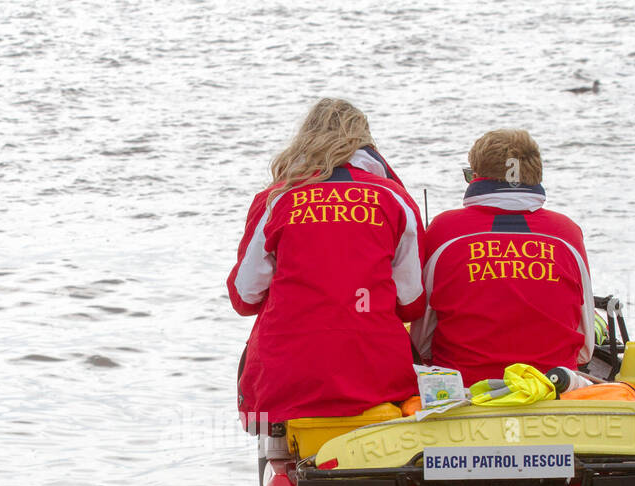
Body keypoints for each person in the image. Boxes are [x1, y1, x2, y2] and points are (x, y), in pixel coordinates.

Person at [228, 98, 426, 431]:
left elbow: (243, 298)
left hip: (285, 381)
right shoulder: (394, 198)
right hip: (378, 379)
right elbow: (412, 303)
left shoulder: (276, 199)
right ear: (365, 143)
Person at [410, 129, 595, 387]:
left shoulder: (444, 229)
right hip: (552, 386)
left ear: (476, 177)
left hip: (466, 389)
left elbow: (421, 342)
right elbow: (586, 348)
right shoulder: (566, 232)